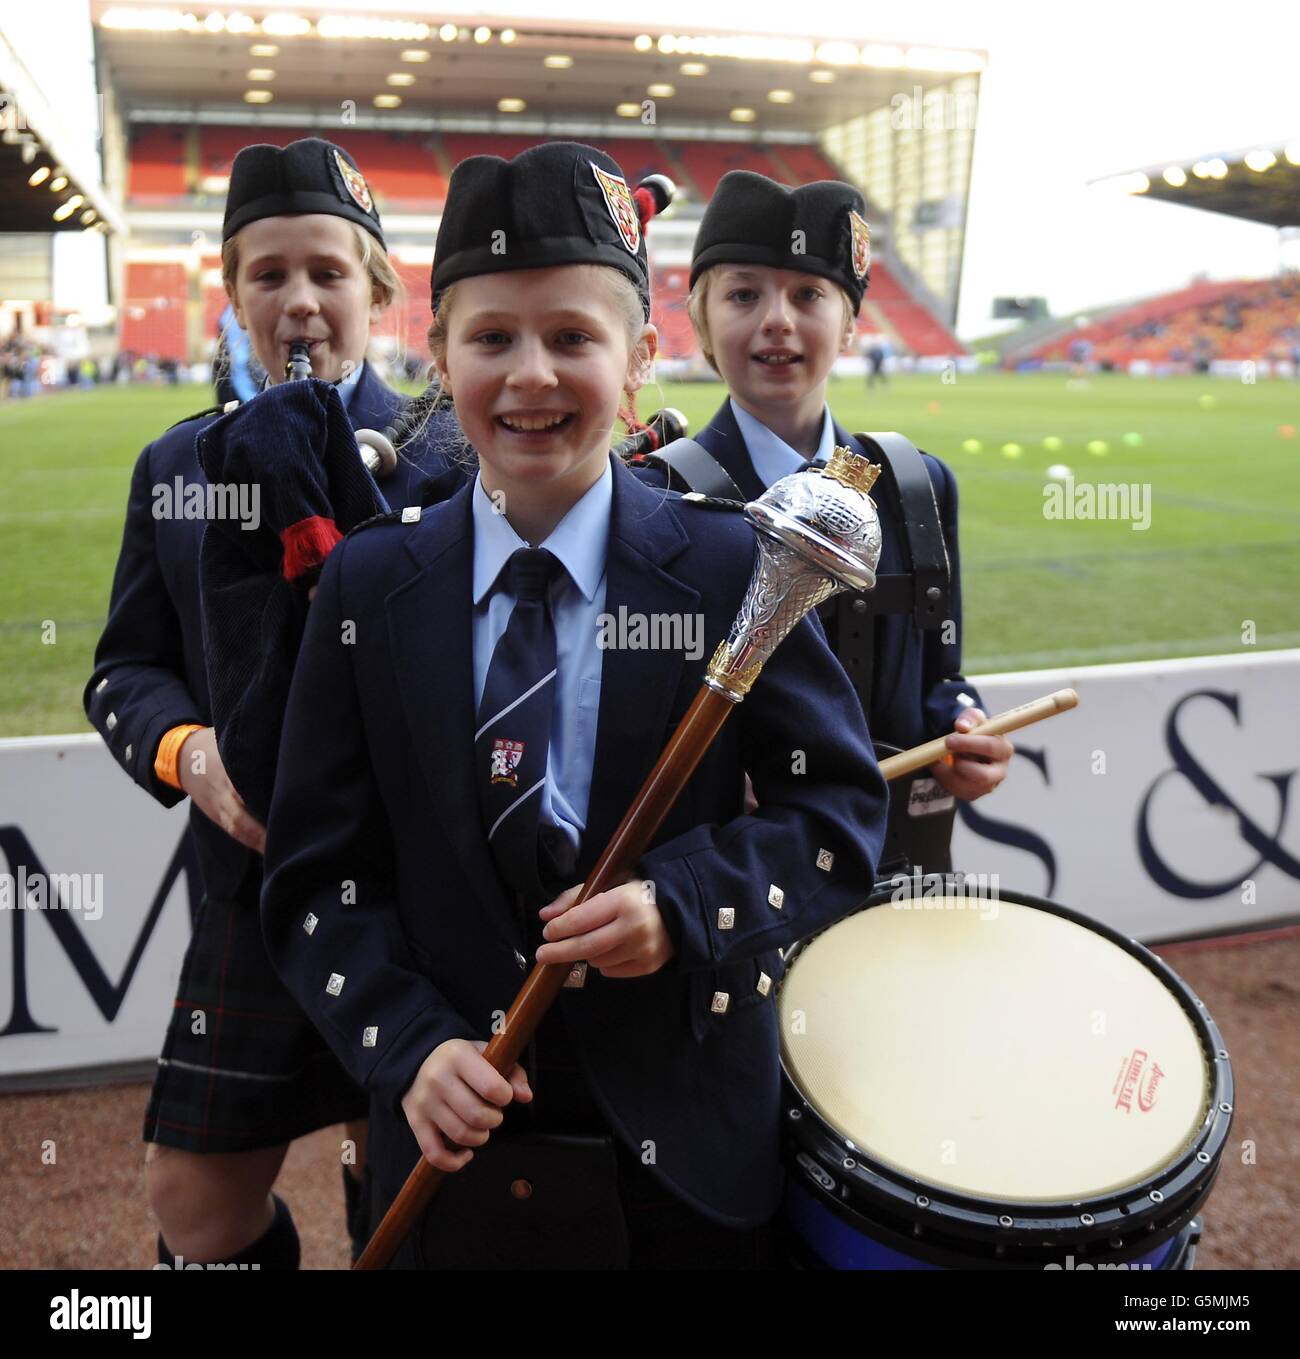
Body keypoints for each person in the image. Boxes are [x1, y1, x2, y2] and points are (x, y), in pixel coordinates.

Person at [260, 141, 889, 1269]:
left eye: (572, 338)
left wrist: (689, 905)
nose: (531, 376)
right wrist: (406, 1047)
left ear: (641, 356)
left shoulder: (726, 569)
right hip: (446, 1150)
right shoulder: (366, 585)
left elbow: (836, 825)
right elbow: (317, 876)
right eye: (492, 338)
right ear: (440, 356)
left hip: (686, 1158)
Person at [85, 136, 457, 1270]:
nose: (299, 302)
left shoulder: (454, 452)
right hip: (256, 893)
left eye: (328, 274)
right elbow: (121, 674)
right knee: (192, 1203)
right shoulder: (178, 464)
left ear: (379, 292)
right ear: (233, 290)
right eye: (270, 274)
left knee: (393, 1182)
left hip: (422, 894)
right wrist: (191, 754)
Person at [630, 171, 1011, 875]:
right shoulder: (658, 495)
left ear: (851, 321)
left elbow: (940, 672)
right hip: (733, 892)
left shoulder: (917, 487)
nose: (778, 319)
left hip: (899, 871)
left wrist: (965, 724)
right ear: (703, 317)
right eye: (744, 294)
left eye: (809, 295)